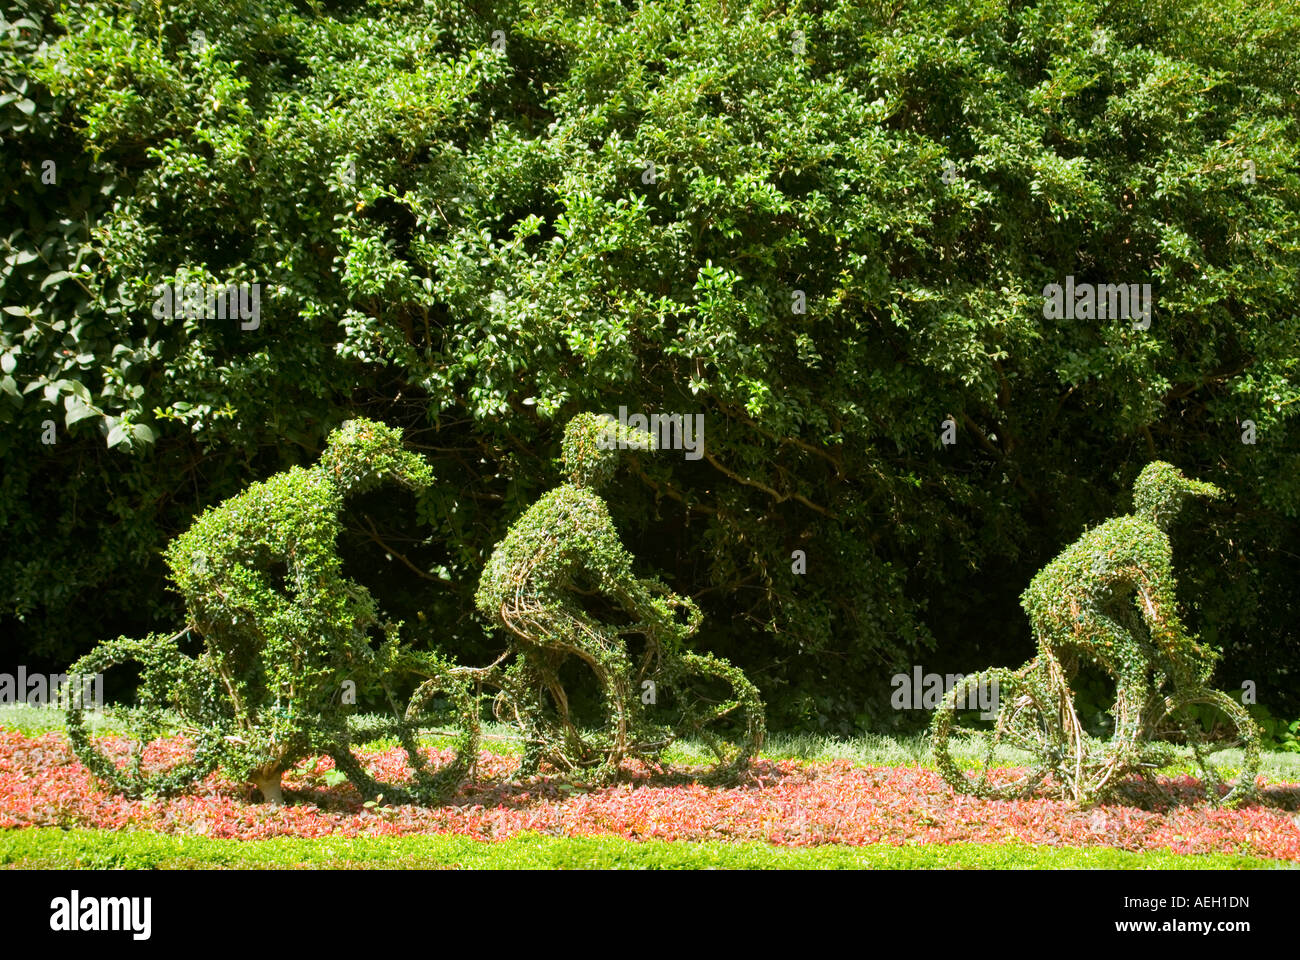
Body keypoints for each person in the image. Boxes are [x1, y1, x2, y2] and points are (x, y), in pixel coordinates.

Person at [1020, 461, 1222, 751]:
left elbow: (1116, 605)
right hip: (1067, 604)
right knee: (1133, 662)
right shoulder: (1149, 541)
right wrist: (1183, 652)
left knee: (1062, 672)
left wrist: (1152, 647)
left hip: (1044, 598)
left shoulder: (1121, 529)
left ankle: (1049, 740)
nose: (1177, 510)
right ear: (1167, 503)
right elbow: (1159, 617)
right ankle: (1122, 750)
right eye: (1176, 501)